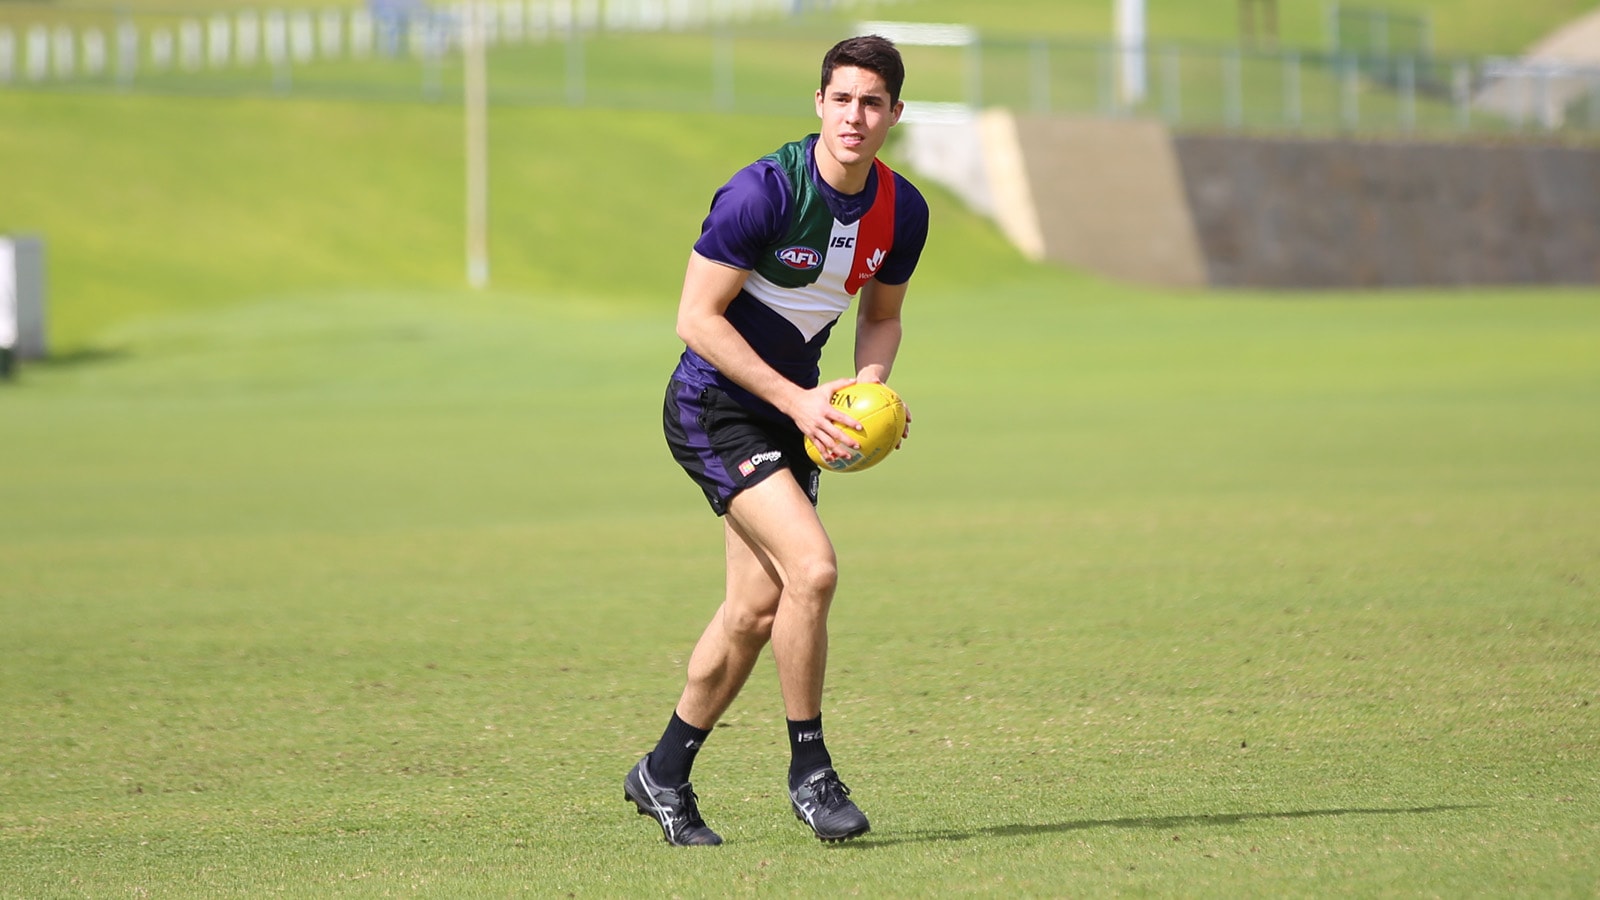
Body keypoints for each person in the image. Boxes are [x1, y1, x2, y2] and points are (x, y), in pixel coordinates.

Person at [624, 34, 929, 846]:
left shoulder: (902, 212)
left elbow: (884, 317)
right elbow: (695, 319)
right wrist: (798, 402)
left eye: (873, 102)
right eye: (842, 99)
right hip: (712, 406)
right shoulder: (763, 192)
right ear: (818, 104)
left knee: (754, 610)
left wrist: (871, 398)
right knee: (814, 568)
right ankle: (810, 770)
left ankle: (662, 773)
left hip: (795, 411)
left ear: (895, 113)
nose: (855, 116)